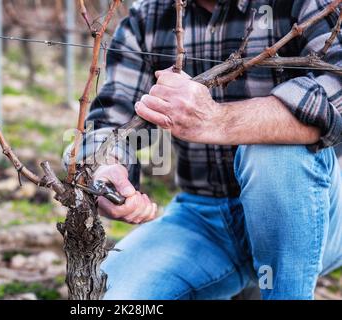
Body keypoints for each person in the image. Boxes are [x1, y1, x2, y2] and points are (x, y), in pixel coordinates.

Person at [64, 0, 342, 299]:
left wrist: (217, 120)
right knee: (112, 299)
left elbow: (338, 89)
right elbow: (112, 121)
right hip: (204, 219)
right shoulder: (148, 18)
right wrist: (104, 168)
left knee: (273, 152)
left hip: (315, 211)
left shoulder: (301, 4)